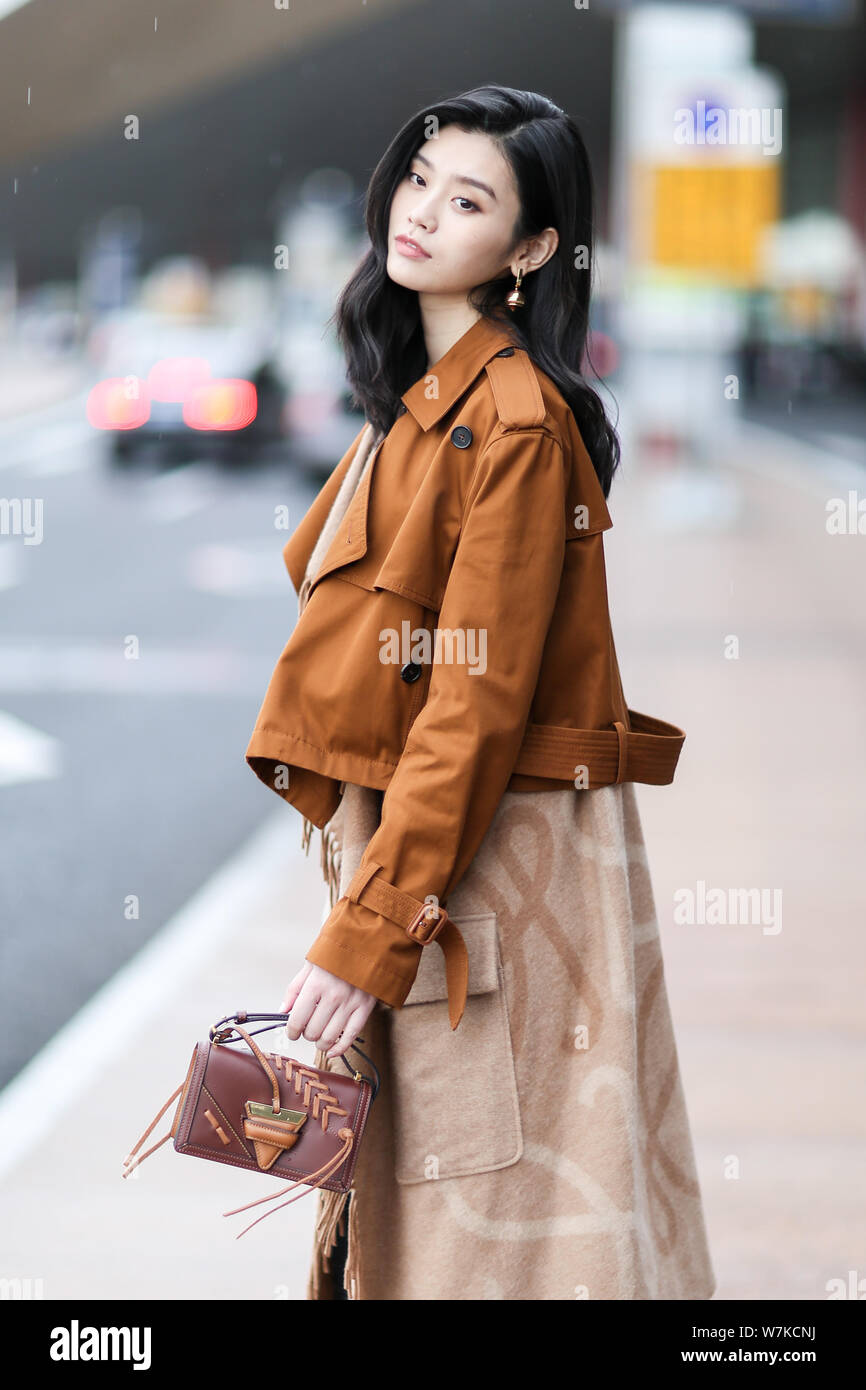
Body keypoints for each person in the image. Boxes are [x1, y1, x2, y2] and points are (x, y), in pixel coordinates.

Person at [245, 84, 716, 1300]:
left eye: (467, 200)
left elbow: (473, 703)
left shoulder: (509, 420)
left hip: (491, 870)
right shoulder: (415, 394)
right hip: (440, 861)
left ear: (529, 249)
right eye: (416, 179)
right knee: (412, 1216)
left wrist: (363, 940)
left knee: (481, 1240)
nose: (420, 213)